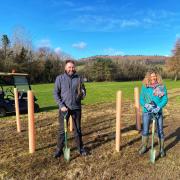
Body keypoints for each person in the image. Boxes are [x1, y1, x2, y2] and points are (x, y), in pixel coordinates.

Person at [53, 59, 87, 158]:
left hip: (76, 108)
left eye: (72, 67)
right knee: (62, 131)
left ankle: (80, 149)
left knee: (78, 130)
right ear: (65, 68)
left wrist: (83, 93)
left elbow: (83, 91)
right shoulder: (60, 78)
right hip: (64, 109)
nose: (71, 69)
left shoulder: (79, 78)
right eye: (69, 67)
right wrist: (61, 105)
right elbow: (55, 93)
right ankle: (59, 149)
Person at [139, 71, 168, 157]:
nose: (153, 78)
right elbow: (141, 99)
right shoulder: (145, 87)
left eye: (154, 76)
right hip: (147, 112)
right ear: (148, 77)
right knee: (145, 130)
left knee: (160, 131)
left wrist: (159, 107)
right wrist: (146, 105)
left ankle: (161, 149)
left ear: (157, 77)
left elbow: (165, 99)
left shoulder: (161, 87)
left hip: (158, 112)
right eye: (151, 76)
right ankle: (144, 147)